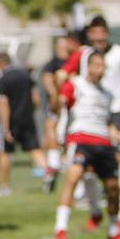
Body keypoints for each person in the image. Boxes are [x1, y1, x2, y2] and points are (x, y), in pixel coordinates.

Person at [61, 16, 120, 235]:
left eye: (102, 32)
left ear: (107, 33)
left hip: (115, 113)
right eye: (94, 32)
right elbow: (64, 74)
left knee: (117, 165)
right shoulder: (83, 55)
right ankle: (96, 211)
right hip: (87, 117)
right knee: (85, 171)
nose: (98, 36)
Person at [53, 50, 120, 239]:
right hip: (81, 139)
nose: (101, 69)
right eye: (97, 65)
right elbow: (59, 105)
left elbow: (109, 123)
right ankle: (60, 228)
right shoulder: (76, 85)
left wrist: (118, 134)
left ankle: (114, 230)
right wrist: (59, 93)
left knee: (113, 188)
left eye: (103, 66)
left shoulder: (107, 94)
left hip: (103, 143)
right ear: (88, 66)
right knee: (74, 176)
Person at [0, 52, 45, 193]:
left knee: (5, 151)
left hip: (12, 120)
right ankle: (48, 174)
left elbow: (4, 103)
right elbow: (36, 99)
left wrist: (5, 127)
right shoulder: (25, 75)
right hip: (28, 118)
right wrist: (32, 112)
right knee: (34, 149)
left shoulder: (4, 78)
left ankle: (4, 186)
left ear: (0, 63)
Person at [41, 31, 80, 192]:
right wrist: (55, 97)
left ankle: (60, 165)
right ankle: (53, 166)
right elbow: (49, 81)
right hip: (60, 104)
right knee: (52, 129)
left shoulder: (78, 60)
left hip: (76, 105)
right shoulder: (54, 64)